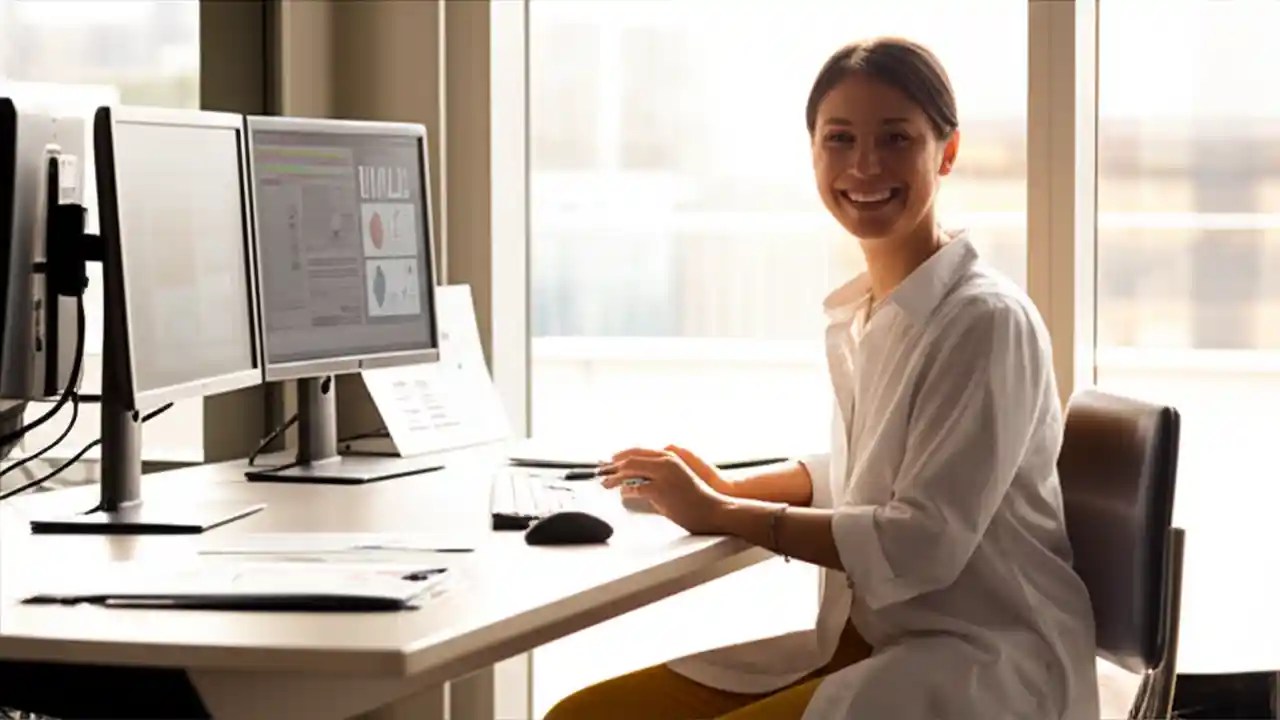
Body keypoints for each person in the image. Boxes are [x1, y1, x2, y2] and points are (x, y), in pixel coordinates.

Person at [544, 36, 1099, 720]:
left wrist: (722, 515)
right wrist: (728, 485)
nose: (864, 165)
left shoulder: (984, 321)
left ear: (946, 153)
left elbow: (920, 541)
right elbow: (872, 473)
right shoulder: (871, 311)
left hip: (981, 663)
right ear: (812, 151)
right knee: (583, 716)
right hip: (873, 642)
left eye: (896, 139)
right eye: (840, 139)